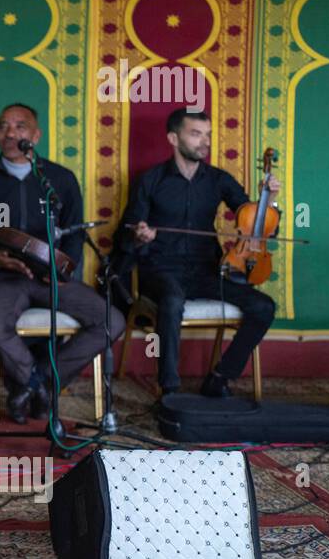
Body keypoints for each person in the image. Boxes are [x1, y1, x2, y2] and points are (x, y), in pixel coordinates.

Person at [0, 103, 123, 429]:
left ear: (35, 136)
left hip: (51, 279)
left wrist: (63, 272)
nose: (10, 133)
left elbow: (74, 236)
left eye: (19, 126)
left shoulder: (60, 179)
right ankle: (36, 385)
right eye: (3, 126)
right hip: (3, 278)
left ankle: (37, 382)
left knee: (111, 320)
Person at [119, 107, 278, 397]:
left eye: (208, 135)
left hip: (207, 270)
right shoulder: (151, 180)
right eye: (195, 134)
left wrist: (269, 201)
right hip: (160, 270)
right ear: (173, 138)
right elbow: (127, 233)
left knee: (264, 306)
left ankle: (220, 377)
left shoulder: (219, 179)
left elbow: (259, 227)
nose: (205, 142)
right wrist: (141, 235)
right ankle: (169, 389)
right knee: (172, 300)